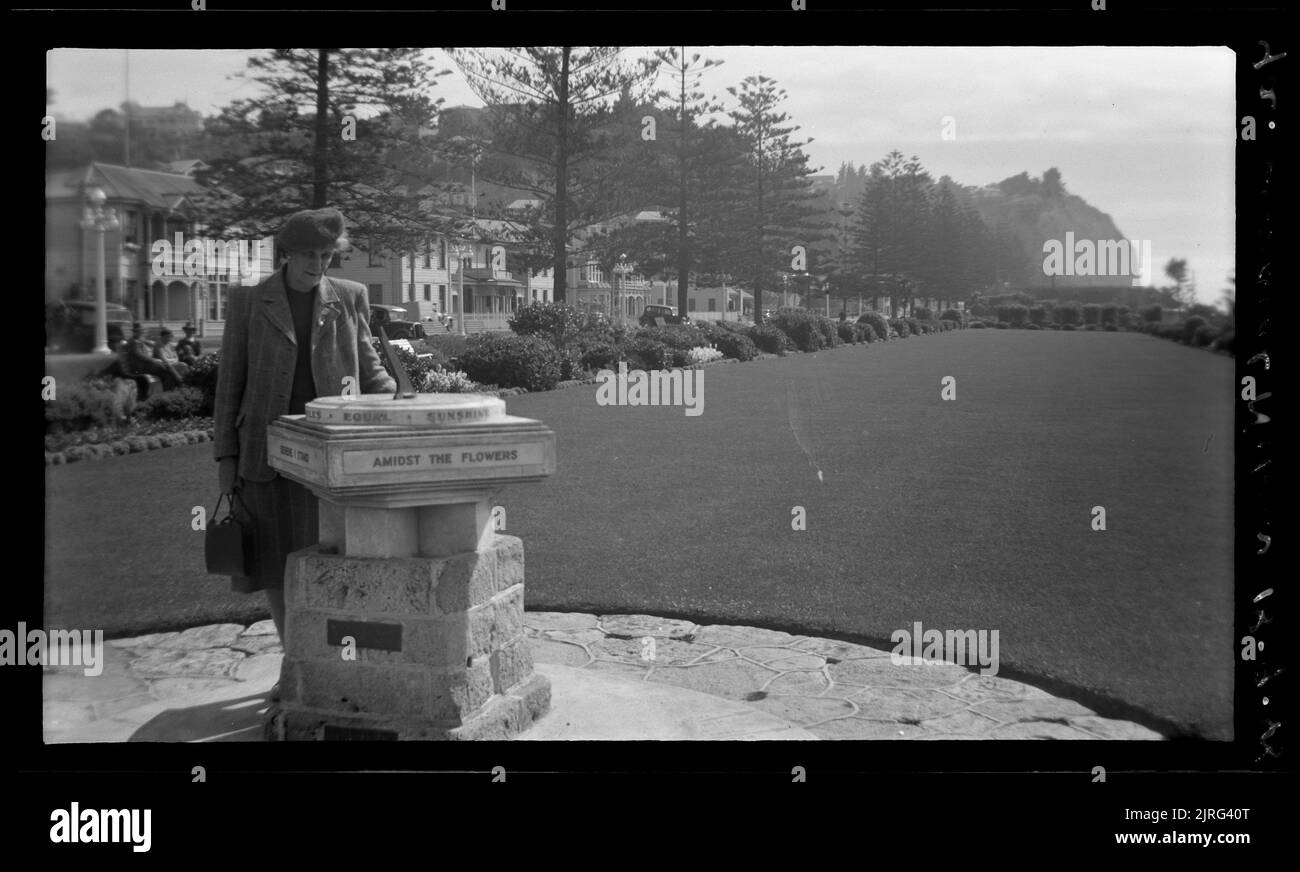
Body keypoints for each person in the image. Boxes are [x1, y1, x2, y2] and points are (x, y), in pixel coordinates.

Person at [212, 207, 394, 696]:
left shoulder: (350, 297)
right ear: (287, 253)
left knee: (335, 562)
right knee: (276, 565)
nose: (318, 264)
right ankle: (294, 664)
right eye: (310, 255)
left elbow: (370, 367)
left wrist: (395, 393)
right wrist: (226, 461)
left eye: (326, 255)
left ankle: (336, 662)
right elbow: (230, 384)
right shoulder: (250, 302)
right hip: (266, 456)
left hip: (331, 456)